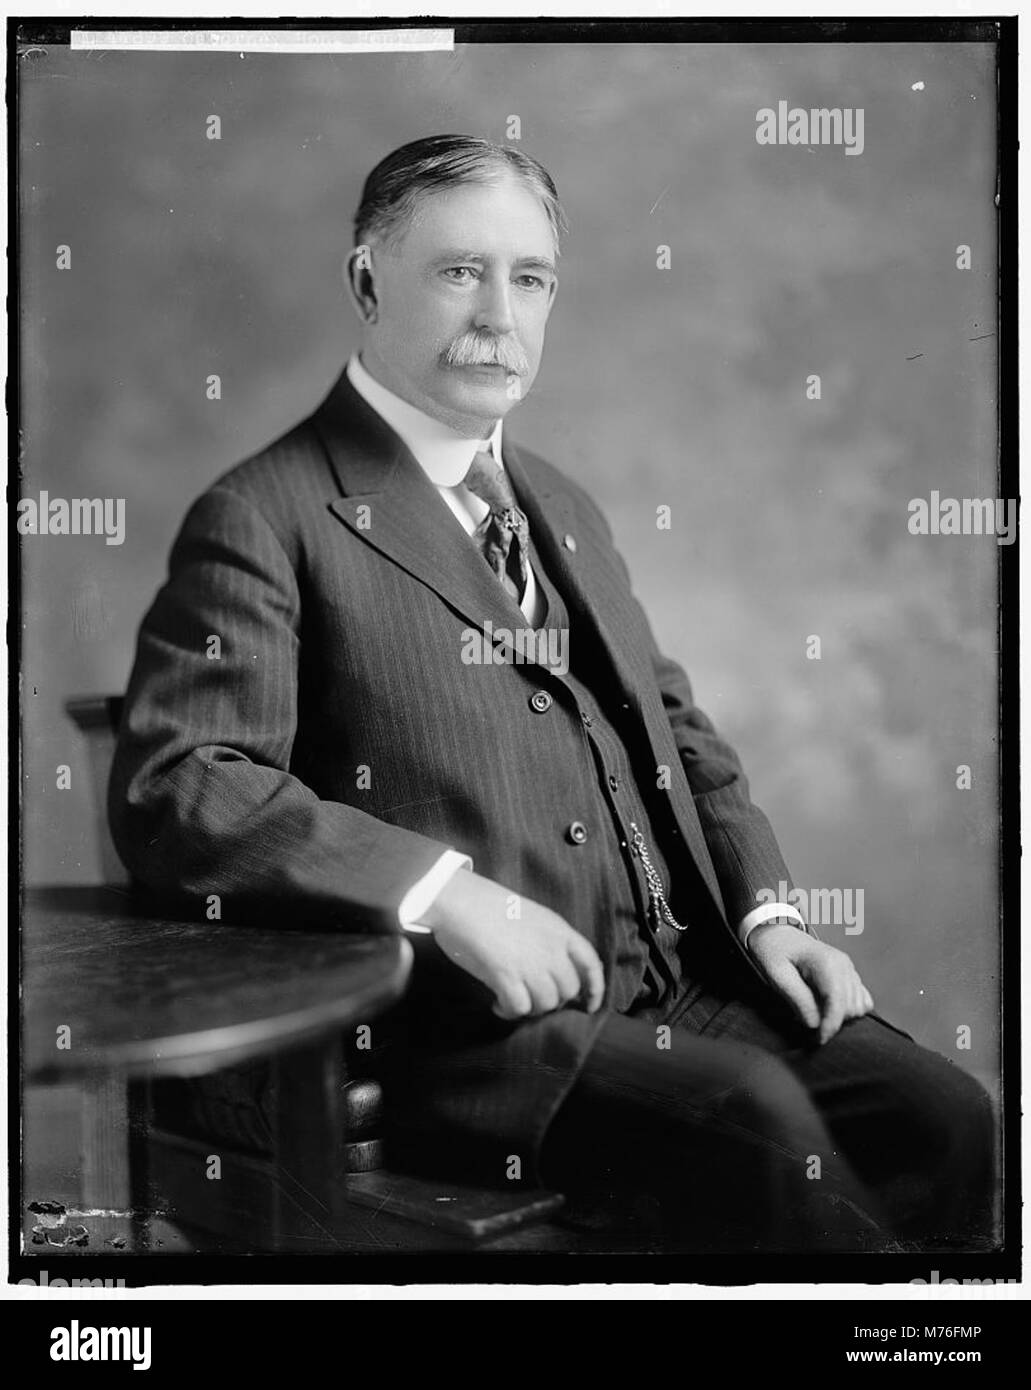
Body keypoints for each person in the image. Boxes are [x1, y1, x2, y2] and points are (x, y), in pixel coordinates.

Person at [109, 134, 996, 1252]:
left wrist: (767, 908)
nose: (499, 313)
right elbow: (180, 783)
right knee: (757, 1125)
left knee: (948, 1118)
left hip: (679, 989)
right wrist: (444, 893)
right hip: (472, 1036)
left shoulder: (561, 502)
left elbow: (670, 722)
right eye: (456, 271)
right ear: (365, 282)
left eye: (529, 279)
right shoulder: (265, 510)